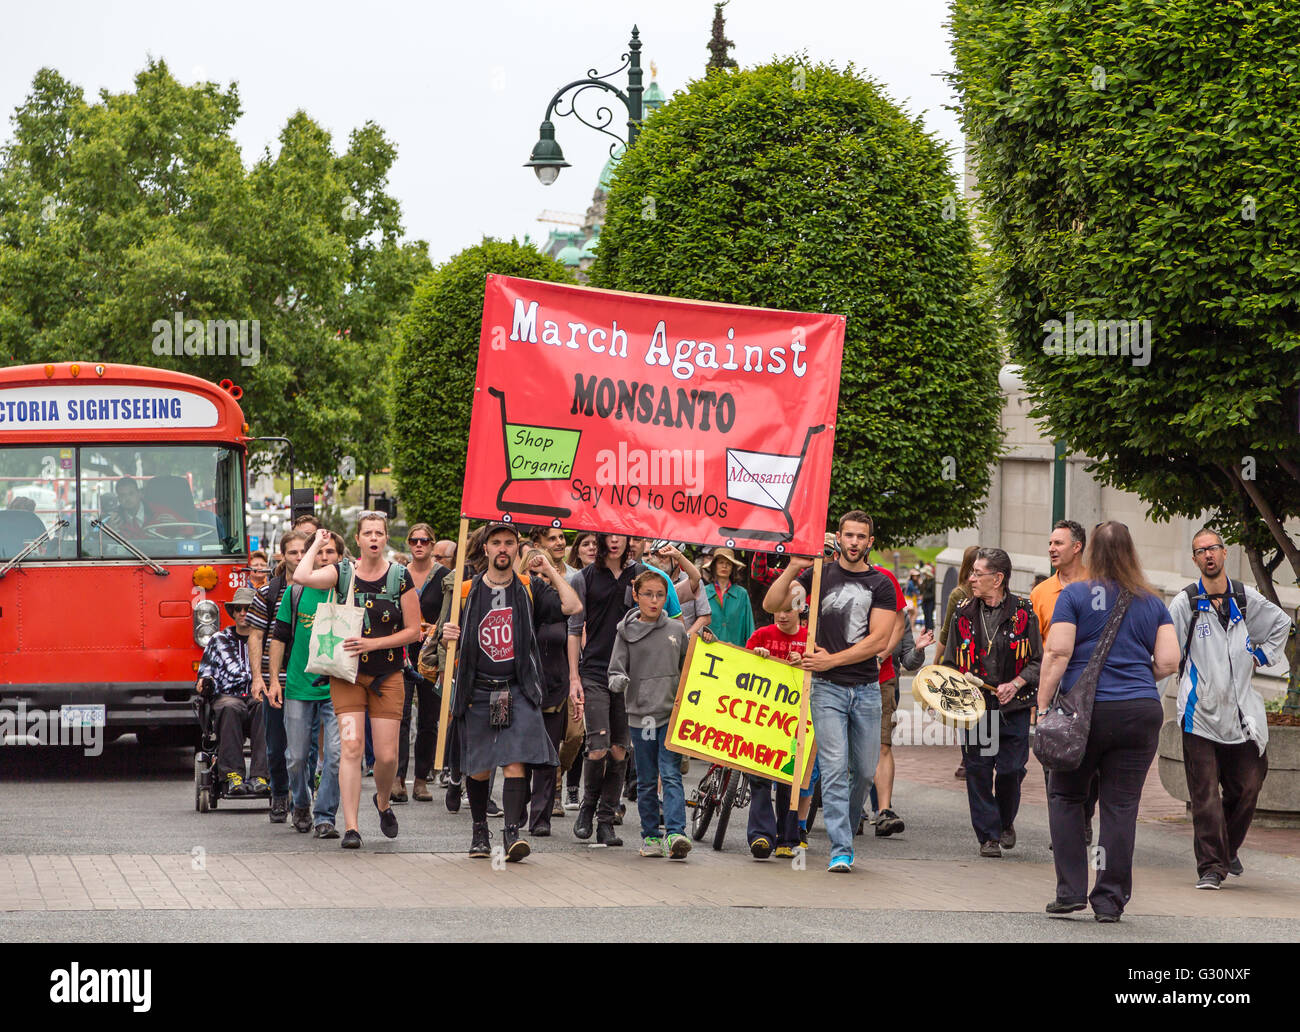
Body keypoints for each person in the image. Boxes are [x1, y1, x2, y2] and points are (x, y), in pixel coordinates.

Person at [1037, 521, 1181, 920]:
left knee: (1066, 796)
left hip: (1086, 712)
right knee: (1121, 805)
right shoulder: (1152, 601)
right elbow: (1169, 661)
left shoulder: (1074, 595)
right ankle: (1109, 900)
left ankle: (1070, 891)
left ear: (1091, 552)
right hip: (1139, 711)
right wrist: (1135, 678)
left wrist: (1044, 704)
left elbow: (1058, 653)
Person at [763, 511, 899, 873]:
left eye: (861, 537)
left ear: (870, 541)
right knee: (835, 770)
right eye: (848, 535)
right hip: (826, 692)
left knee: (865, 772)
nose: (854, 542)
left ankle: (846, 831)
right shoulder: (819, 575)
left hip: (867, 690)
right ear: (838, 537)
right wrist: (793, 567)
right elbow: (772, 605)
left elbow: (878, 640)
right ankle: (842, 847)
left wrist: (831, 660)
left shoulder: (881, 584)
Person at [442, 523, 582, 860]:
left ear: (516, 549)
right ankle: (479, 833)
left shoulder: (529, 587)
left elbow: (572, 606)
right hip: (477, 688)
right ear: (486, 548)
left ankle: (511, 834)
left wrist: (548, 567)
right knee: (479, 767)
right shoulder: (466, 590)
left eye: (509, 543)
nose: (502, 549)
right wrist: (448, 633)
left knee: (515, 764)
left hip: (517, 689)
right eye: (496, 543)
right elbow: (445, 638)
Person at [1168, 527, 1292, 890]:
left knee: (1248, 786)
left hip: (1241, 715)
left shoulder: (1245, 597)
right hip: (1199, 715)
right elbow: (1165, 652)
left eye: (1213, 548)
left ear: (1224, 553)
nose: (1208, 555)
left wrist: (1259, 656)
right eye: (1200, 551)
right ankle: (1211, 867)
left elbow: (1281, 625)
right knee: (1205, 795)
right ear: (1194, 560)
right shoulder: (1185, 603)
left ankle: (1226, 848)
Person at [293, 516, 420, 849]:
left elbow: (414, 631)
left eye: (380, 533)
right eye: (368, 533)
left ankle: (382, 800)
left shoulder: (399, 576)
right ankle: (351, 827)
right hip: (347, 674)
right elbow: (301, 575)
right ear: (359, 540)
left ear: (385, 538)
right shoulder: (343, 572)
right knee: (350, 748)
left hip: (387, 674)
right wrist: (318, 544)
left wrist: (373, 644)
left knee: (387, 756)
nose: (374, 538)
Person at [567, 535, 694, 844]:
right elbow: (573, 629)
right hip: (596, 671)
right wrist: (574, 677)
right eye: (608, 536)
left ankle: (607, 819)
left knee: (619, 750)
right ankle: (588, 806)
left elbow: (681, 604)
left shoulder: (643, 576)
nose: (614, 541)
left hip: (635, 681)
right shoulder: (585, 577)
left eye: (620, 536)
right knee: (597, 747)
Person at [943, 547, 1042, 858]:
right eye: (972, 572)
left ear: (998, 579)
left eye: (978, 573)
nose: (971, 578)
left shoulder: (1024, 611)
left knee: (1012, 770)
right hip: (977, 708)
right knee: (979, 770)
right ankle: (988, 836)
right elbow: (949, 661)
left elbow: (1039, 661)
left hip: (1014, 706)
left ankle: (1005, 820)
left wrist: (1015, 684)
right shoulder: (963, 611)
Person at [609, 569, 693, 860]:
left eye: (661, 595)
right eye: (648, 594)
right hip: (642, 716)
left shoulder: (676, 630)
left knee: (670, 774)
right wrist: (619, 681)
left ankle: (676, 833)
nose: (655, 601)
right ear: (636, 595)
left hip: (671, 714)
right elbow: (614, 671)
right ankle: (650, 836)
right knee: (646, 779)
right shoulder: (625, 632)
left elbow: (689, 666)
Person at [269, 532, 345, 837]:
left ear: (341, 557)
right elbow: (279, 638)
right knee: (297, 757)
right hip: (299, 685)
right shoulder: (296, 592)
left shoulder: (347, 591)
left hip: (339, 686)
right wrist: (274, 679)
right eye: (320, 552)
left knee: (337, 756)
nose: (325, 557)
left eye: (330, 553)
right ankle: (300, 802)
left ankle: (325, 814)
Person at [1030, 520, 1098, 846]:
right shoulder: (1041, 593)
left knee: (1091, 759)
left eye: (1058, 543)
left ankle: (1084, 816)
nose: (1051, 549)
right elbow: (1037, 648)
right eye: (1050, 543)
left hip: (1094, 685)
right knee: (1054, 755)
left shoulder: (1099, 585)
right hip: (1057, 687)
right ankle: (1064, 827)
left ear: (1077, 547)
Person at [248, 530, 310, 823]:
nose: (298, 557)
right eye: (293, 552)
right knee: (275, 744)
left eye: (302, 552)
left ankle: (303, 799)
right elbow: (255, 636)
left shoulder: (317, 587)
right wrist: (258, 677)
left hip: (308, 678)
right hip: (277, 679)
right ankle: (279, 793)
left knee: (305, 748)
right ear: (282, 556)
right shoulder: (268, 592)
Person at [744, 583, 809, 859]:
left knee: (789, 778)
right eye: (777, 611)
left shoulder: (809, 638)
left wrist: (804, 659)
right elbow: (740, 669)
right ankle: (761, 836)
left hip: (794, 722)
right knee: (758, 778)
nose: (782, 616)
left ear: (800, 609)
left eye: (788, 610)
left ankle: (788, 838)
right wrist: (756, 657)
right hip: (762, 719)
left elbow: (820, 670)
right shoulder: (761, 635)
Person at [521, 542, 576, 836]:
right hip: (520, 689)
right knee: (521, 755)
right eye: (534, 574)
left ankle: (540, 819)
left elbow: (575, 606)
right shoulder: (517, 599)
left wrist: (553, 575)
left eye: (543, 576)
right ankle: (518, 808)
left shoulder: (556, 602)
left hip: (553, 688)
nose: (539, 582)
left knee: (547, 755)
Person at [197, 587, 269, 796]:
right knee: (229, 707)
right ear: (233, 612)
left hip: (258, 694)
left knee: (265, 708)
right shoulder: (219, 640)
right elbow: (206, 671)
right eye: (239, 609)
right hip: (229, 695)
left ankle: (261, 776)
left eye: (248, 608)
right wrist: (204, 681)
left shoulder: (266, 640)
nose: (243, 613)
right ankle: (232, 776)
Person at [393, 523, 444, 804]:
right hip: (404, 652)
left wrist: (435, 628)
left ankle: (421, 779)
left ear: (433, 543)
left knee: (428, 719)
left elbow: (453, 615)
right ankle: (398, 778)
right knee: (400, 716)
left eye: (424, 540)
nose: (419, 544)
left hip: (433, 655)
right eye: (414, 540)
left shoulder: (446, 576)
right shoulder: (399, 575)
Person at [940, 544, 980, 780]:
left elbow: (945, 632)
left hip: (971, 659)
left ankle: (972, 757)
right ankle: (968, 756)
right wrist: (938, 660)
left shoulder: (963, 592)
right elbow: (947, 630)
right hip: (962, 659)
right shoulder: (960, 594)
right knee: (966, 709)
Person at [703, 547, 754, 647]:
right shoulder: (704, 592)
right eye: (721, 562)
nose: (724, 566)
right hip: (708, 651)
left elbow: (749, 627)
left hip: (736, 652)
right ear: (714, 566)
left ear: (733, 568)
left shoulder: (742, 594)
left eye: (729, 563)